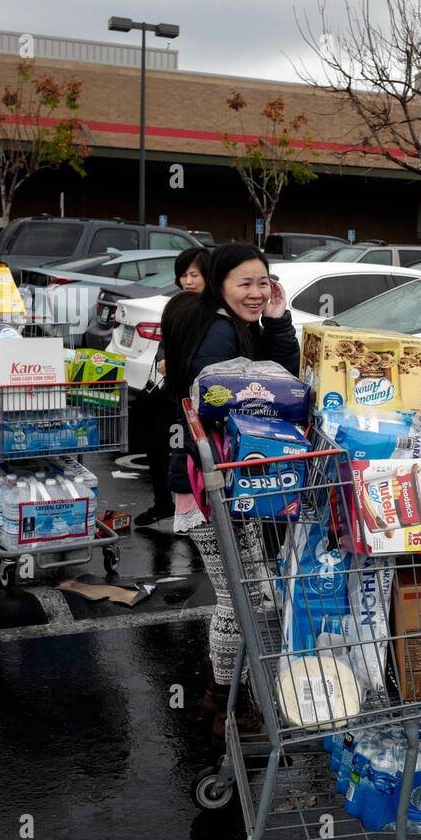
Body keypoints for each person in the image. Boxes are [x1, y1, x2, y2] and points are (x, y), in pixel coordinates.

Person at [163, 243, 298, 738]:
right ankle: (229, 707)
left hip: (218, 483)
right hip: (210, 488)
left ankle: (222, 699)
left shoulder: (228, 323)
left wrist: (278, 320)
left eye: (263, 282)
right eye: (246, 283)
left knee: (245, 594)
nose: (258, 292)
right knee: (241, 598)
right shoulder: (219, 332)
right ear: (220, 283)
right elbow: (221, 401)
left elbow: (282, 378)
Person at [133, 247, 210, 527]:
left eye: (195, 275)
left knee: (190, 455)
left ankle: (196, 514)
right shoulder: (177, 304)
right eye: (184, 275)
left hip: (194, 396)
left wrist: (177, 363)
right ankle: (163, 503)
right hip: (169, 392)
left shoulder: (212, 311)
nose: (188, 281)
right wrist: (165, 359)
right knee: (156, 446)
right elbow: (164, 343)